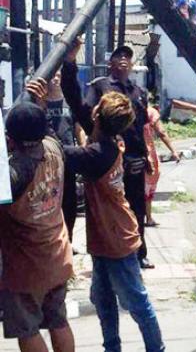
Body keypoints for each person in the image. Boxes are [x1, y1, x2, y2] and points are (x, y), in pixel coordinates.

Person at [28, 77, 165, 352]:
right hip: (107, 236)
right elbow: (77, 111)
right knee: (103, 300)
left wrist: (42, 108)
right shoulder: (106, 142)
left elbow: (59, 150)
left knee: (136, 302)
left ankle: (156, 349)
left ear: (97, 117)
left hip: (117, 240)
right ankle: (112, 348)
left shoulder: (98, 153)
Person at [61, 41, 154, 269]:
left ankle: (138, 252)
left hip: (133, 160)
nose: (123, 59)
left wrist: (147, 155)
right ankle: (111, 257)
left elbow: (141, 128)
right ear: (110, 62)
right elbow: (79, 105)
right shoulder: (100, 86)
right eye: (118, 55)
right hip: (107, 158)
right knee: (106, 210)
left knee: (136, 208)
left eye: (127, 56)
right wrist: (69, 63)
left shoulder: (138, 92)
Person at [0, 102, 74, 352]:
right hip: (57, 253)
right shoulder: (53, 147)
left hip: (26, 266)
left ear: (10, 139)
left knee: (27, 329)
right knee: (58, 321)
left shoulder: (13, 176)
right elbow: (52, 129)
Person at [45, 71, 86, 244]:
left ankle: (68, 241)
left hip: (69, 159)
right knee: (48, 203)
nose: (55, 79)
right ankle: (53, 243)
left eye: (58, 75)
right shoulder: (39, 102)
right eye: (52, 75)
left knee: (70, 203)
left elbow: (79, 129)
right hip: (47, 162)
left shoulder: (69, 103)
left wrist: (84, 150)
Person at [143, 105, 180, 227]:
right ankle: (148, 218)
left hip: (125, 154)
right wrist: (173, 151)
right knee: (148, 187)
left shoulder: (123, 111)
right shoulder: (150, 112)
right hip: (147, 155)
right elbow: (161, 132)